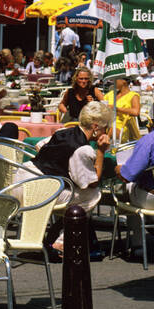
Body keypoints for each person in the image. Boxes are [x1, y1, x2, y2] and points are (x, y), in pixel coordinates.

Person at [33, 100, 114, 254]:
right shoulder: (83, 149)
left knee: (75, 190)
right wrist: (101, 152)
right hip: (42, 191)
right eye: (106, 128)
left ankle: (61, 229)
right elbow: (92, 183)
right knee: (92, 195)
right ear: (96, 127)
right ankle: (61, 241)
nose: (107, 131)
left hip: (31, 181)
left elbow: (39, 145)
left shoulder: (63, 132)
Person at [112, 76, 142, 142]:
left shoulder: (133, 95)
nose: (113, 81)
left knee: (110, 131)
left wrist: (117, 108)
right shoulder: (113, 94)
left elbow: (136, 111)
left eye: (115, 79)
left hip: (123, 126)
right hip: (109, 123)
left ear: (124, 81)